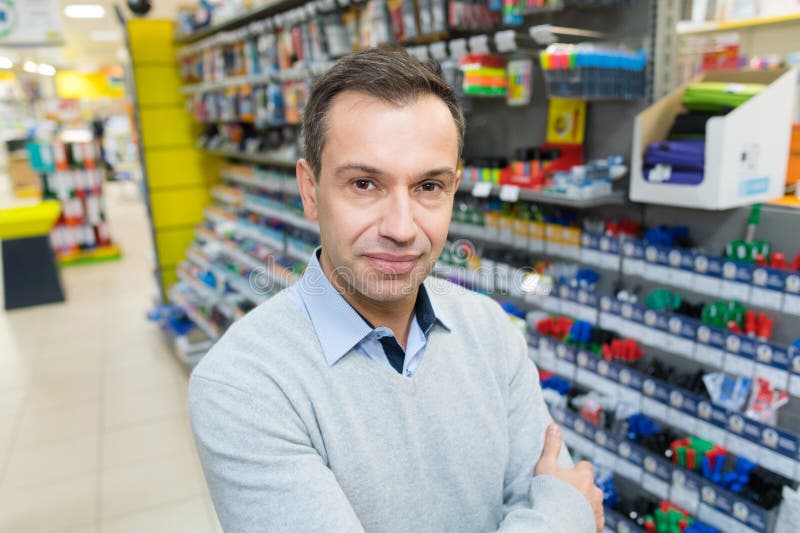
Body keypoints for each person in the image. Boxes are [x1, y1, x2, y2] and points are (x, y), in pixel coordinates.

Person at [189, 46, 603, 533]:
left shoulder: (489, 329)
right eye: (364, 184)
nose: (402, 228)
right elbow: (559, 503)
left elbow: (542, 483)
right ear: (310, 190)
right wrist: (561, 516)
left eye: (429, 186)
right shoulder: (245, 385)